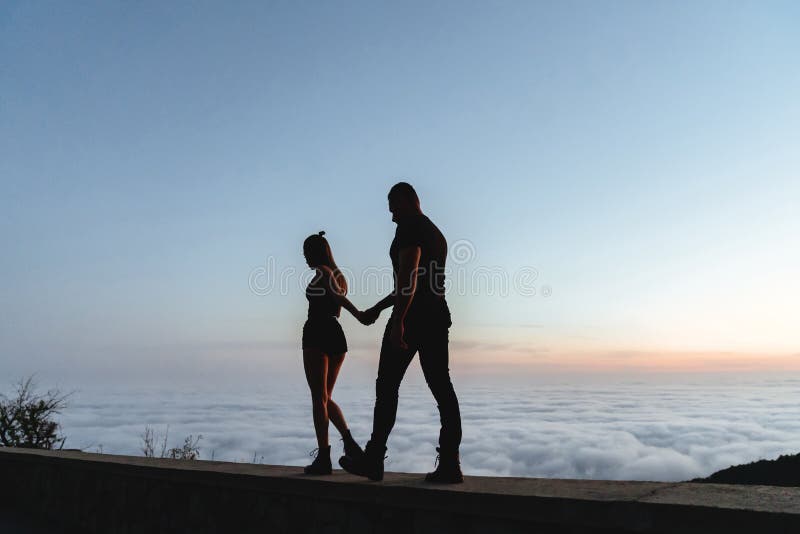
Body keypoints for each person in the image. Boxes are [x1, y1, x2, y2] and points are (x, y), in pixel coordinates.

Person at [339, 183, 464, 483]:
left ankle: (373, 459)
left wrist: (398, 322)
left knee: (387, 388)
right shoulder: (435, 232)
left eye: (394, 208)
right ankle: (450, 464)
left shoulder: (409, 227)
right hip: (435, 315)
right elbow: (417, 282)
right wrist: (380, 308)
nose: (392, 216)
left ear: (410, 201)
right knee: (442, 389)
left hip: (413, 319)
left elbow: (408, 279)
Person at [301, 231, 365, 475]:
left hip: (317, 332)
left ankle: (324, 458)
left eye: (306, 253)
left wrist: (359, 314)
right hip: (336, 334)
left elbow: (337, 297)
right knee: (325, 397)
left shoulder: (324, 273)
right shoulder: (339, 275)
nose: (304, 258)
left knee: (319, 399)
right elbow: (337, 298)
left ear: (315, 252)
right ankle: (349, 444)